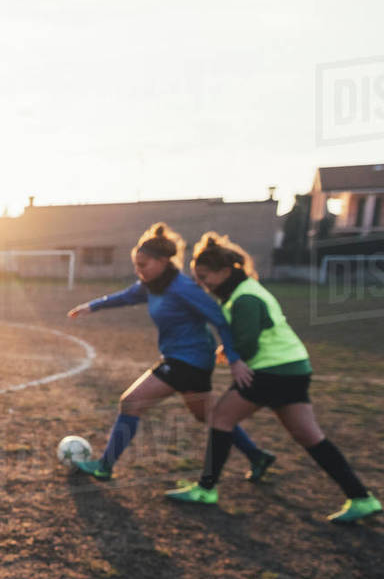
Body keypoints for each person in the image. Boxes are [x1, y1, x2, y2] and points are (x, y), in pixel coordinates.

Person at [166, 233, 381, 522]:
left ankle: (206, 489)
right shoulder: (245, 290)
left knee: (220, 418)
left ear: (225, 271)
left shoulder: (244, 298)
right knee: (309, 436)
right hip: (294, 368)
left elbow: (248, 345)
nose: (203, 284)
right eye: (198, 278)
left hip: (271, 370)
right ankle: (361, 497)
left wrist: (234, 354)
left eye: (205, 277)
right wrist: (231, 348)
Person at [66, 222, 272, 481]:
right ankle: (257, 455)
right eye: (136, 265)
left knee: (130, 402)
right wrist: (92, 306)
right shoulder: (151, 285)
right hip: (185, 361)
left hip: (188, 360)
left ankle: (104, 466)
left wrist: (234, 359)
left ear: (163, 262)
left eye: (143, 265)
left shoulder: (183, 288)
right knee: (209, 416)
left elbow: (220, 320)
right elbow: (125, 297)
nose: (138, 271)